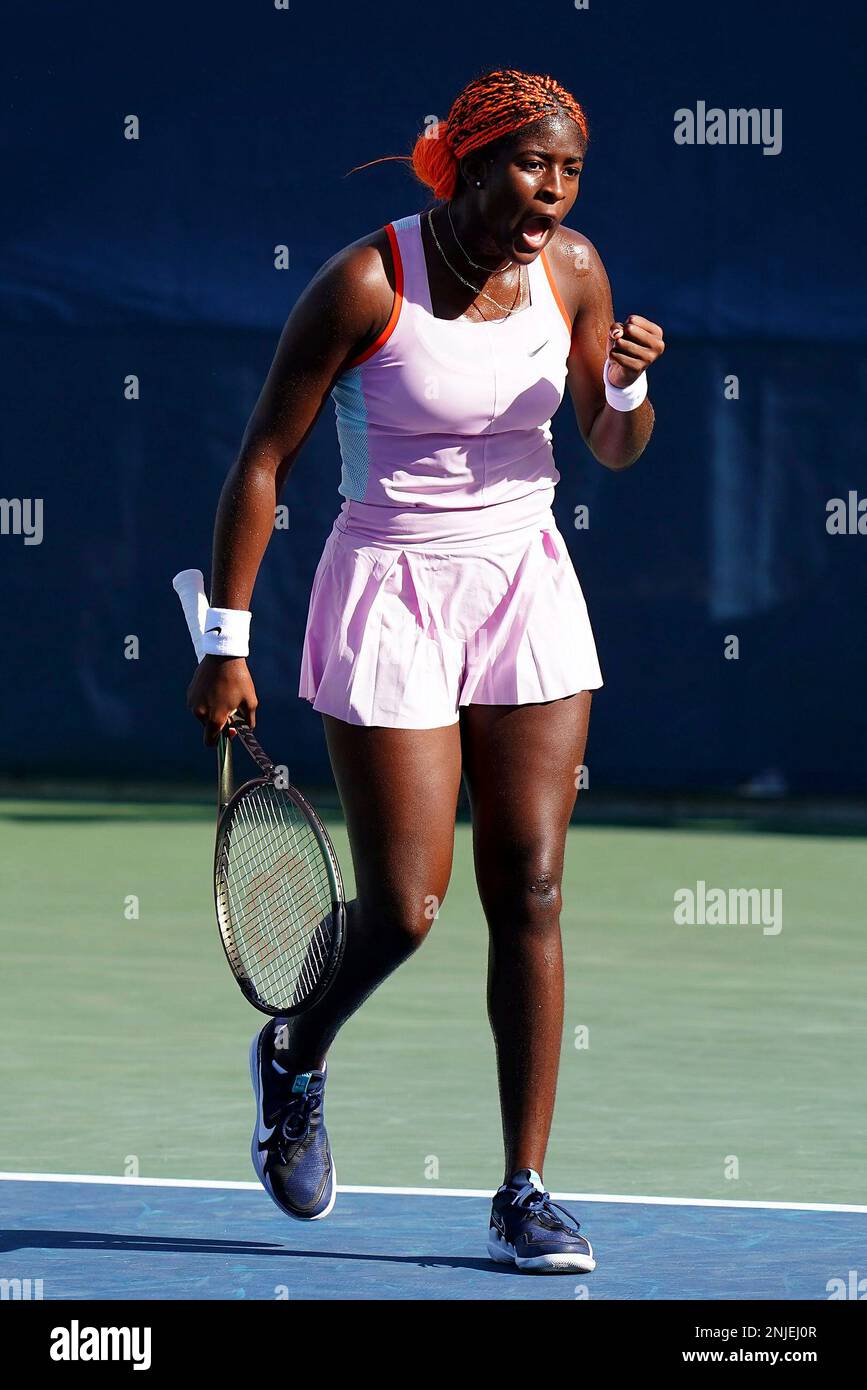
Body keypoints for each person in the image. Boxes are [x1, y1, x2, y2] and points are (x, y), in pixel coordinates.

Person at [187, 66, 664, 1274]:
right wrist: (224, 644)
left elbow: (611, 446)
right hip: (391, 585)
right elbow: (262, 461)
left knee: (534, 887)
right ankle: (293, 1057)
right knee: (406, 906)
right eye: (529, 165)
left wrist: (625, 384)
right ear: (470, 159)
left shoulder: (576, 273)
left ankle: (524, 1189)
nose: (551, 191)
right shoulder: (366, 281)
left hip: (526, 587)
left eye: (568, 171)